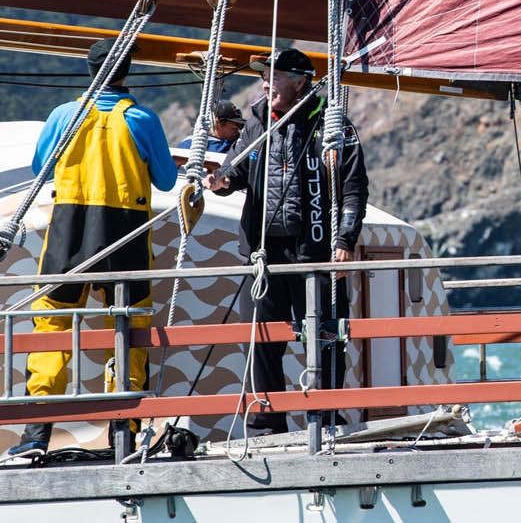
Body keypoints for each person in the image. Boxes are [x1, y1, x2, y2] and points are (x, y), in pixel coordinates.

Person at [8, 38, 177, 457]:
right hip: (124, 233)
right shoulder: (142, 118)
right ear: (127, 71)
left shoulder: (64, 115)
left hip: (69, 232)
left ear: (90, 70)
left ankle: (35, 434)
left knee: (52, 326)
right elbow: (167, 180)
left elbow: (39, 167)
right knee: (128, 328)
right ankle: (125, 431)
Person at [204, 47, 367, 434]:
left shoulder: (331, 124)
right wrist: (223, 180)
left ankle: (327, 416)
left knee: (325, 333)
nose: (264, 83)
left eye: (273, 77)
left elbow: (354, 188)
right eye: (263, 77)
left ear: (298, 81)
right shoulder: (257, 122)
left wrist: (344, 240)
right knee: (260, 337)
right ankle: (266, 422)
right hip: (265, 251)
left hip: (315, 249)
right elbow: (238, 169)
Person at [178, 99, 244, 153]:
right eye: (234, 129)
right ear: (218, 123)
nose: (238, 133)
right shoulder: (190, 144)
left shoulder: (186, 142)